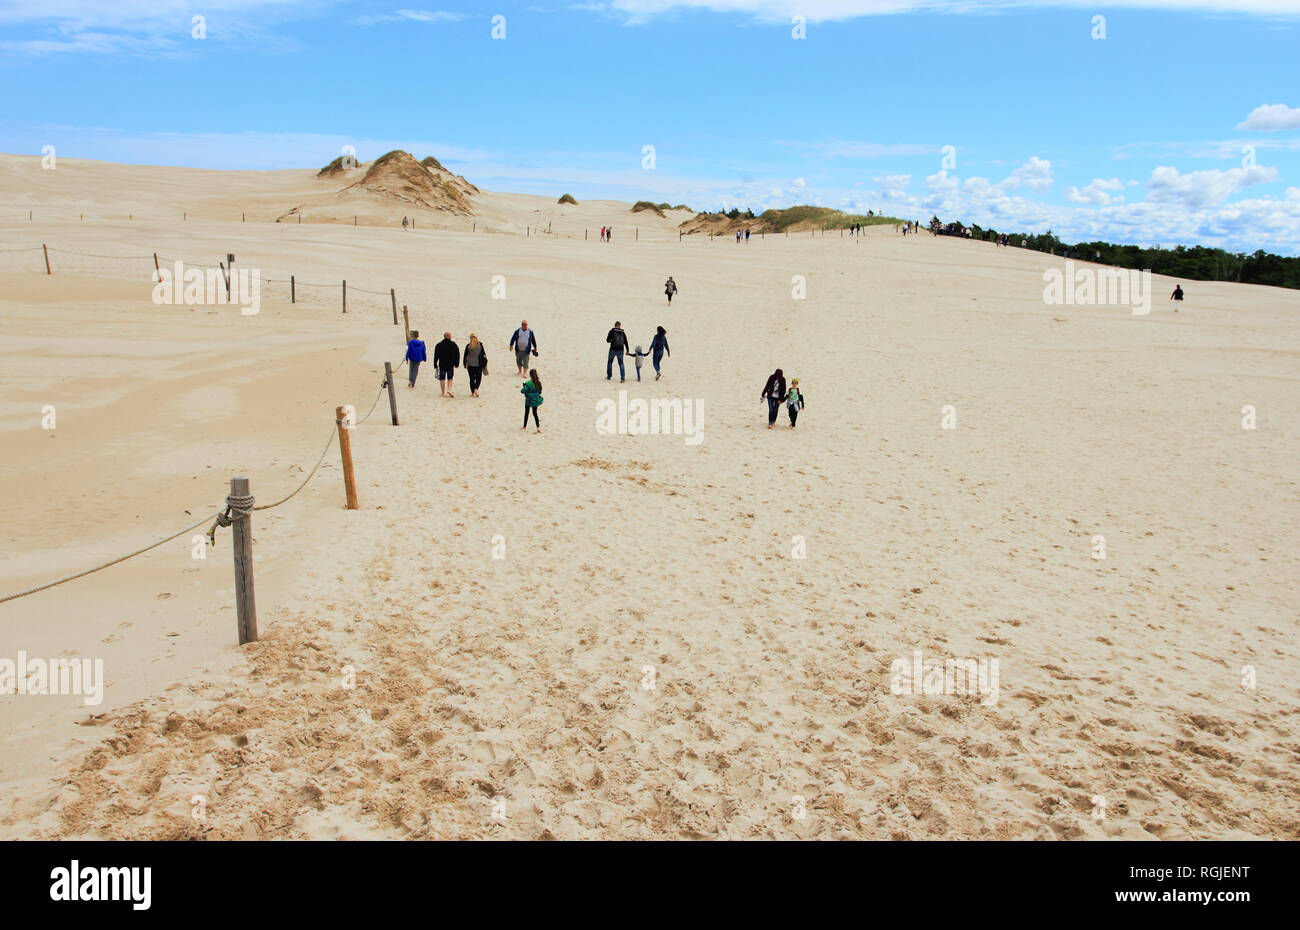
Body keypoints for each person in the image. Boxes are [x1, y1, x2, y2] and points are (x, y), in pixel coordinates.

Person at [434, 332, 460, 397]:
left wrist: (435, 363)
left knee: (442, 378)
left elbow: (436, 355)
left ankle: (443, 392)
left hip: (442, 364)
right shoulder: (453, 345)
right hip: (450, 364)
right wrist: (457, 363)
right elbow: (457, 355)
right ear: (449, 337)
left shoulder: (439, 345)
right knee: (450, 378)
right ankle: (449, 390)